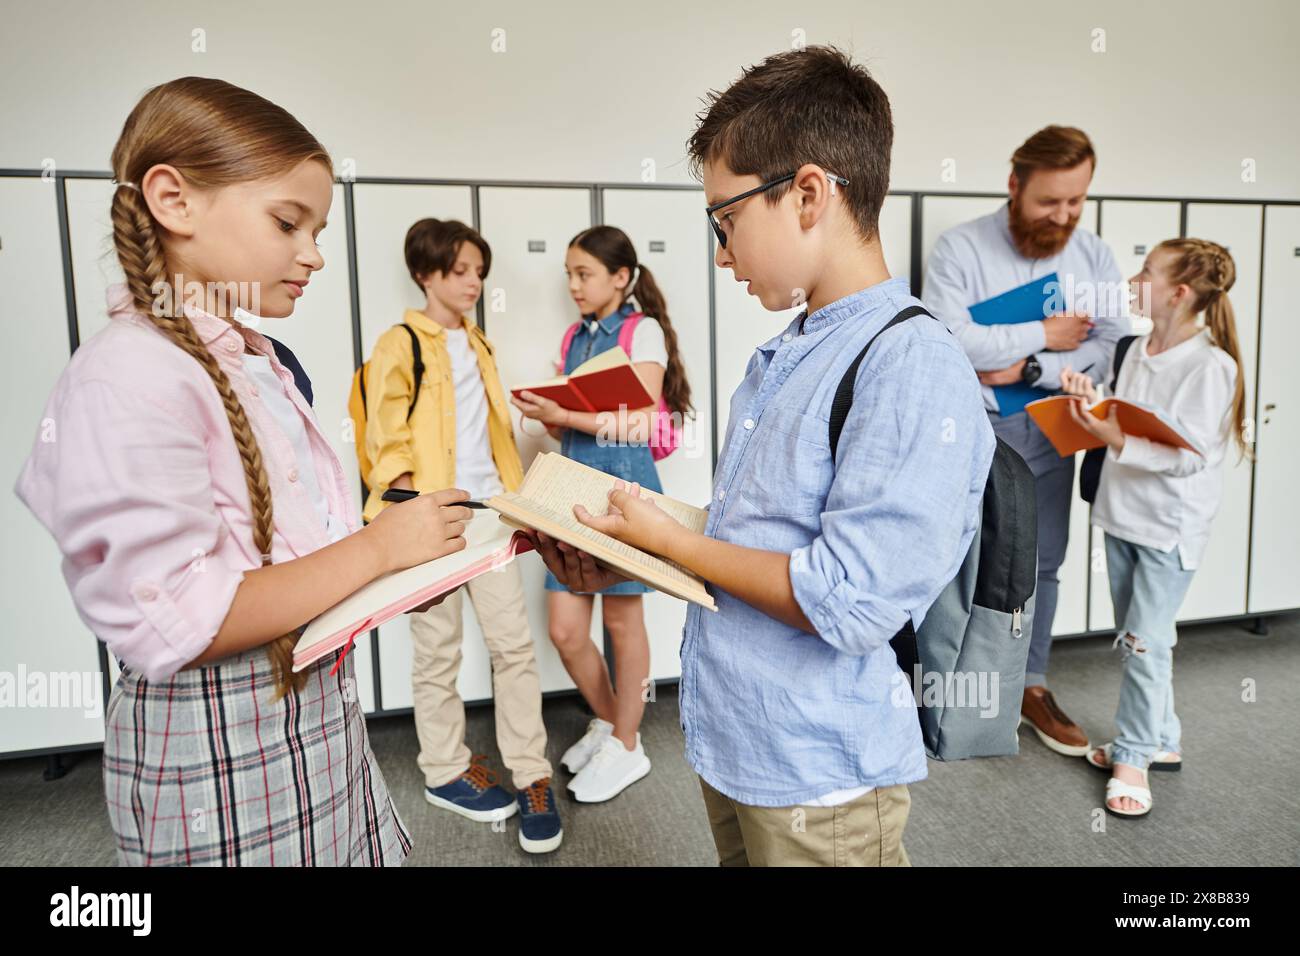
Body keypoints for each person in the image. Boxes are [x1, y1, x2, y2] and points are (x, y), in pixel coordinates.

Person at [525, 46, 994, 866]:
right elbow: (761, 541)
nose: (720, 252)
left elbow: (849, 599)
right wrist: (639, 548)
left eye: (726, 220)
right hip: (743, 742)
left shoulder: (909, 363)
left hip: (821, 773)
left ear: (808, 194)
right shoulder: (786, 354)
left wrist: (674, 544)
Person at [13, 76, 474, 865]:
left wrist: (415, 550)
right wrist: (382, 548)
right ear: (174, 199)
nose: (314, 253)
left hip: (311, 724)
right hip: (217, 748)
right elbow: (189, 617)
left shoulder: (255, 362)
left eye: (318, 228)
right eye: (287, 222)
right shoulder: (128, 375)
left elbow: (286, 563)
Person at [923, 125, 1128, 757]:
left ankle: (1029, 686)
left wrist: (1025, 367)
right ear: (1015, 185)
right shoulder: (959, 250)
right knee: (956, 556)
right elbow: (949, 339)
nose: (1063, 216)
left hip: (1052, 425)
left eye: (1075, 201)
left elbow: (1110, 345)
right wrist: (1046, 330)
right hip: (974, 428)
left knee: (1042, 563)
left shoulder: (1091, 255)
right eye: (1050, 202)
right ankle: (950, 685)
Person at [363, 218, 560, 852]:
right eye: (459, 271)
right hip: (434, 521)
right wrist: (407, 512)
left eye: (478, 271)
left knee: (515, 649)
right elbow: (382, 440)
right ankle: (445, 770)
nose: (473, 281)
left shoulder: (481, 345)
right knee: (438, 652)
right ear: (426, 274)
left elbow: (491, 435)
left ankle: (532, 776)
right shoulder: (400, 343)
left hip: (491, 516)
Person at [1060, 239, 1247, 816]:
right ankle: (1162, 737)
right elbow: (1127, 411)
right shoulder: (1138, 348)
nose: (1134, 277)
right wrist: (1096, 405)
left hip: (1170, 528)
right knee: (1140, 639)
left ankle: (1135, 756)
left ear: (1178, 293)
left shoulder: (1211, 366)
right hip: (1120, 514)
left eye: (1146, 271)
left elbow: (1191, 456)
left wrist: (1117, 439)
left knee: (1143, 644)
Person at [511, 224, 693, 803]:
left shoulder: (643, 334)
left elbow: (638, 424)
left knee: (621, 625)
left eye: (583, 273)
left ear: (620, 277)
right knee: (566, 629)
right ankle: (614, 723)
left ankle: (628, 744)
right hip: (572, 489)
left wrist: (568, 417)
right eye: (568, 273)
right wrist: (548, 415)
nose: (573, 284)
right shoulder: (573, 337)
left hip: (624, 490)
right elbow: (582, 417)